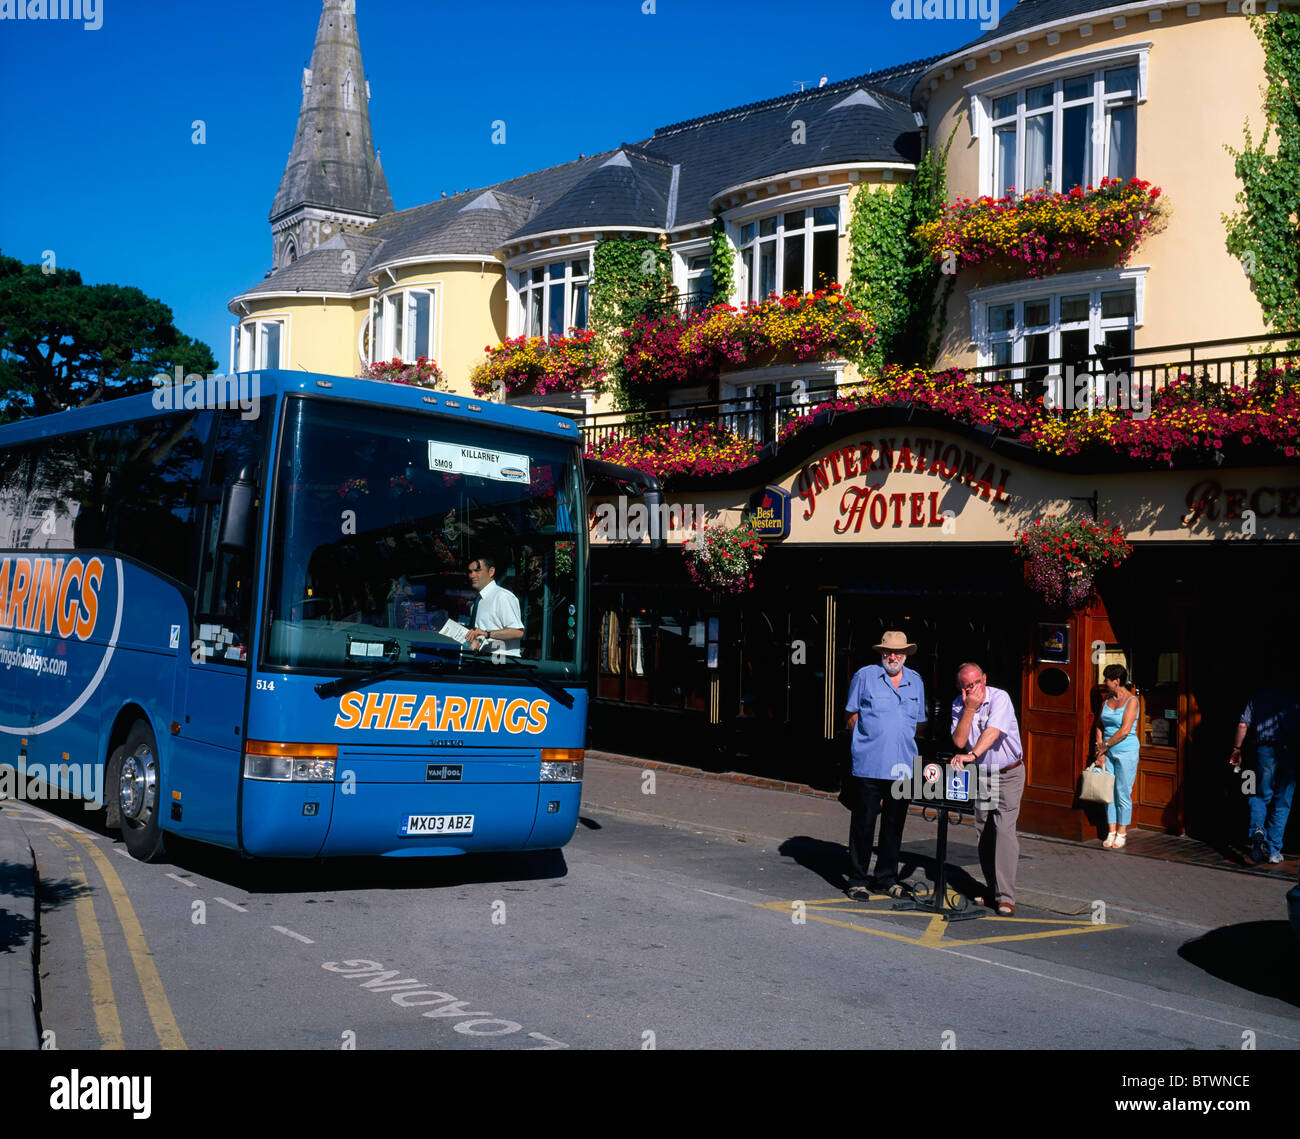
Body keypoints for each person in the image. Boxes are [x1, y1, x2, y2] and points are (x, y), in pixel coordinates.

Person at [843, 631, 927, 900]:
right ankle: (857, 880)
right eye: (888, 652)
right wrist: (867, 742)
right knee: (863, 824)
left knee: (894, 825)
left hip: (902, 766)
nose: (893, 656)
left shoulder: (916, 681)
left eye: (899, 652)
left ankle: (885, 878)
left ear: (906, 655)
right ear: (881, 653)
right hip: (870, 764)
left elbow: (920, 723)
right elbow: (850, 714)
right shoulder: (865, 676)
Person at [951, 662, 1024, 916]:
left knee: (1004, 830)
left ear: (985, 678)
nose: (974, 688)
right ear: (961, 687)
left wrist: (973, 754)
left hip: (1008, 773)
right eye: (967, 685)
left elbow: (992, 732)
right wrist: (969, 709)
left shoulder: (1000, 697)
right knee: (984, 833)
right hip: (983, 774)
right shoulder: (960, 705)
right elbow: (959, 740)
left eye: (977, 682)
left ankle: (1006, 897)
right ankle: (993, 888)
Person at [1231, 675, 1298, 864]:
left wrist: (1237, 749)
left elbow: (1243, 724)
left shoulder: (1257, 696)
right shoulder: (1293, 698)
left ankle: (1257, 831)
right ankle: (1274, 850)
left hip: (1262, 751)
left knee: (1257, 794)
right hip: (1289, 750)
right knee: (1283, 801)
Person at [1091, 664, 1141, 850]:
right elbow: (1099, 725)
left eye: (1107, 680)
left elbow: (1125, 730)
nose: (1105, 683)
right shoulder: (1107, 699)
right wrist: (1100, 750)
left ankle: (1122, 831)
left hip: (1126, 751)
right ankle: (1110, 831)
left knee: (1122, 793)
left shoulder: (1132, 701)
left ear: (1116, 681)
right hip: (1107, 752)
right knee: (1108, 792)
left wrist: (1104, 746)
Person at [465, 555, 523, 657]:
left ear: (491, 571)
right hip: (482, 660)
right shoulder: (477, 602)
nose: (472, 575)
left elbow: (517, 632)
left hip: (502, 663)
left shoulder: (502, 597)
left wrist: (486, 634)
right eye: (470, 572)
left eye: (477, 570)